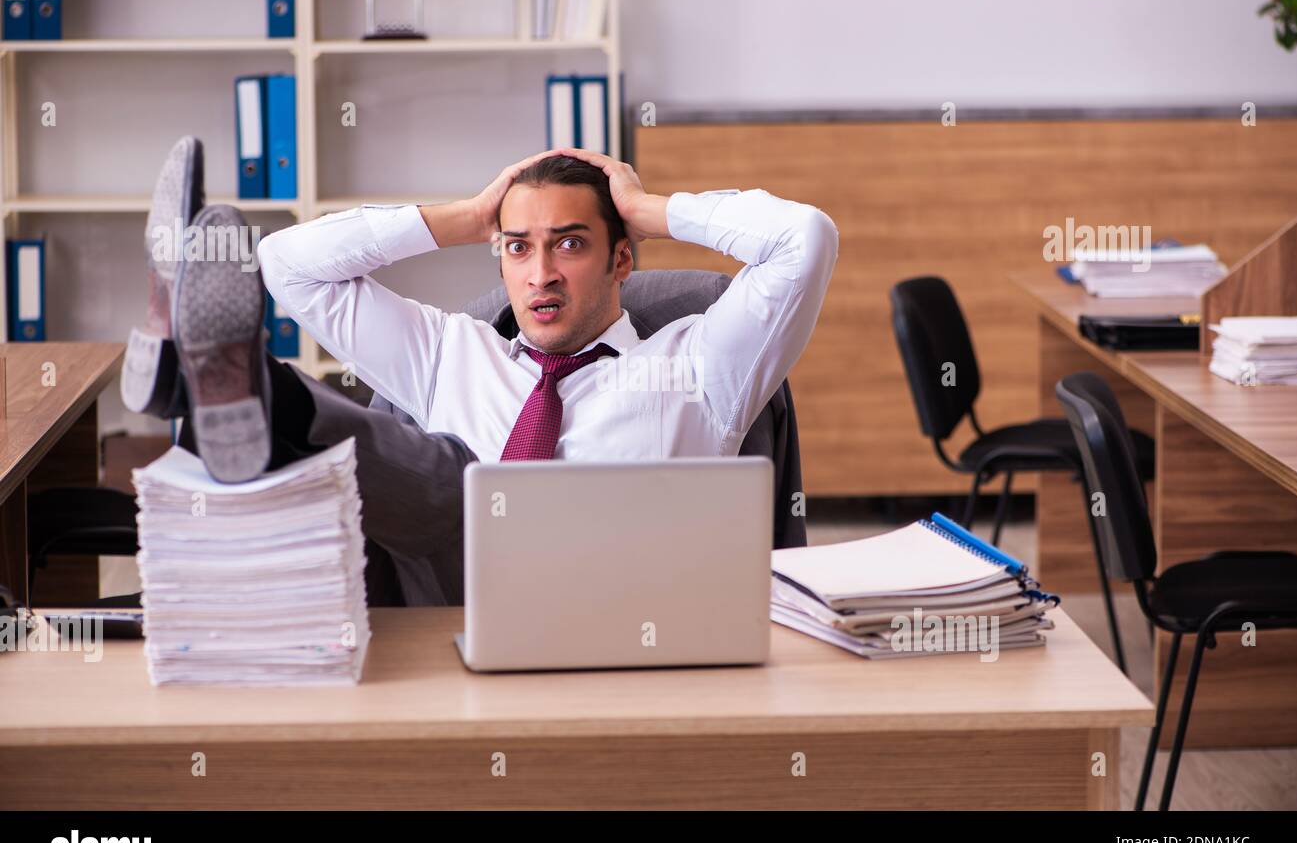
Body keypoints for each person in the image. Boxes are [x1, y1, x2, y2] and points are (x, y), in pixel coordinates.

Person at [124, 140, 838, 605]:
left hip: (622, 621)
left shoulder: (701, 362)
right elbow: (286, 265)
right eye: (518, 248)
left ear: (623, 258)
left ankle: (218, 383)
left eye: (570, 244)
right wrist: (462, 216)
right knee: (438, 476)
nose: (541, 273)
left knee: (448, 474)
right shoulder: (451, 351)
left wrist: (648, 208)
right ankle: (225, 379)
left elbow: (804, 239)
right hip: (462, 615)